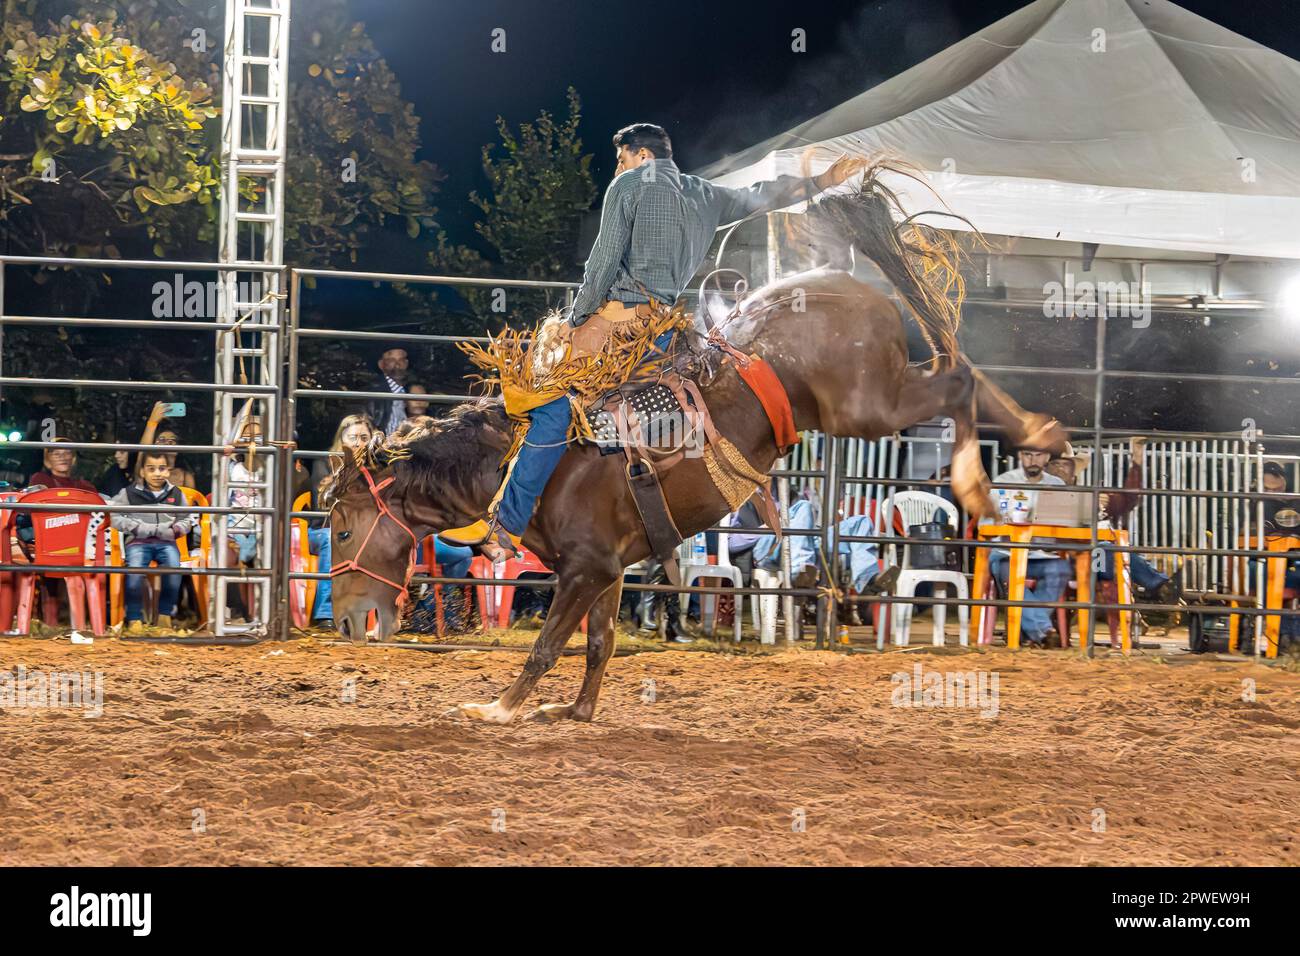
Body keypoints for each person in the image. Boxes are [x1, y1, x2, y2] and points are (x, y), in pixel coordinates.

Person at [441, 123, 868, 559]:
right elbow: (762, 195)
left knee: (546, 403)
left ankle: (504, 529)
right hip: (664, 331)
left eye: (620, 159)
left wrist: (575, 319)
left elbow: (603, 261)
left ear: (640, 155)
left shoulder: (629, 184)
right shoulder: (704, 193)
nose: (618, 168)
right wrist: (820, 181)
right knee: (622, 415)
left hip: (618, 325)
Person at [982, 449, 1071, 646]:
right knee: (1012, 574)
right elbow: (984, 524)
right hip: (1007, 552)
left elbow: (1068, 524)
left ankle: (1030, 631)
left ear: (1047, 457)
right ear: (1020, 455)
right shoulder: (1003, 481)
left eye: (1039, 455)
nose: (1033, 460)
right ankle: (1044, 630)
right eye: (1028, 454)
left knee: (1061, 569)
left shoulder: (1057, 485)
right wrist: (1004, 525)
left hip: (1043, 554)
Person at [108, 451, 197, 634]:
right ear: (142, 472)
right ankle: (134, 618)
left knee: (173, 568)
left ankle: (164, 615)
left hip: (167, 542)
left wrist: (176, 530)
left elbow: (187, 518)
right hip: (138, 542)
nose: (157, 473)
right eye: (151, 469)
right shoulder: (129, 493)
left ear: (168, 471)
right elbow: (115, 516)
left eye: (162, 469)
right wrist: (135, 527)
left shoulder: (176, 493)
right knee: (134, 572)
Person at [367, 346, 411, 437]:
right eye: (391, 360)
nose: (397, 365)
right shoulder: (372, 391)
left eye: (401, 360)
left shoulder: (411, 390)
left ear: (406, 363)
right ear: (381, 364)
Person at [28, 438, 98, 493]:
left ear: (73, 458)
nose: (62, 457)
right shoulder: (41, 479)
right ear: (48, 460)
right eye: (56, 454)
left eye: (67, 453)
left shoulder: (85, 486)